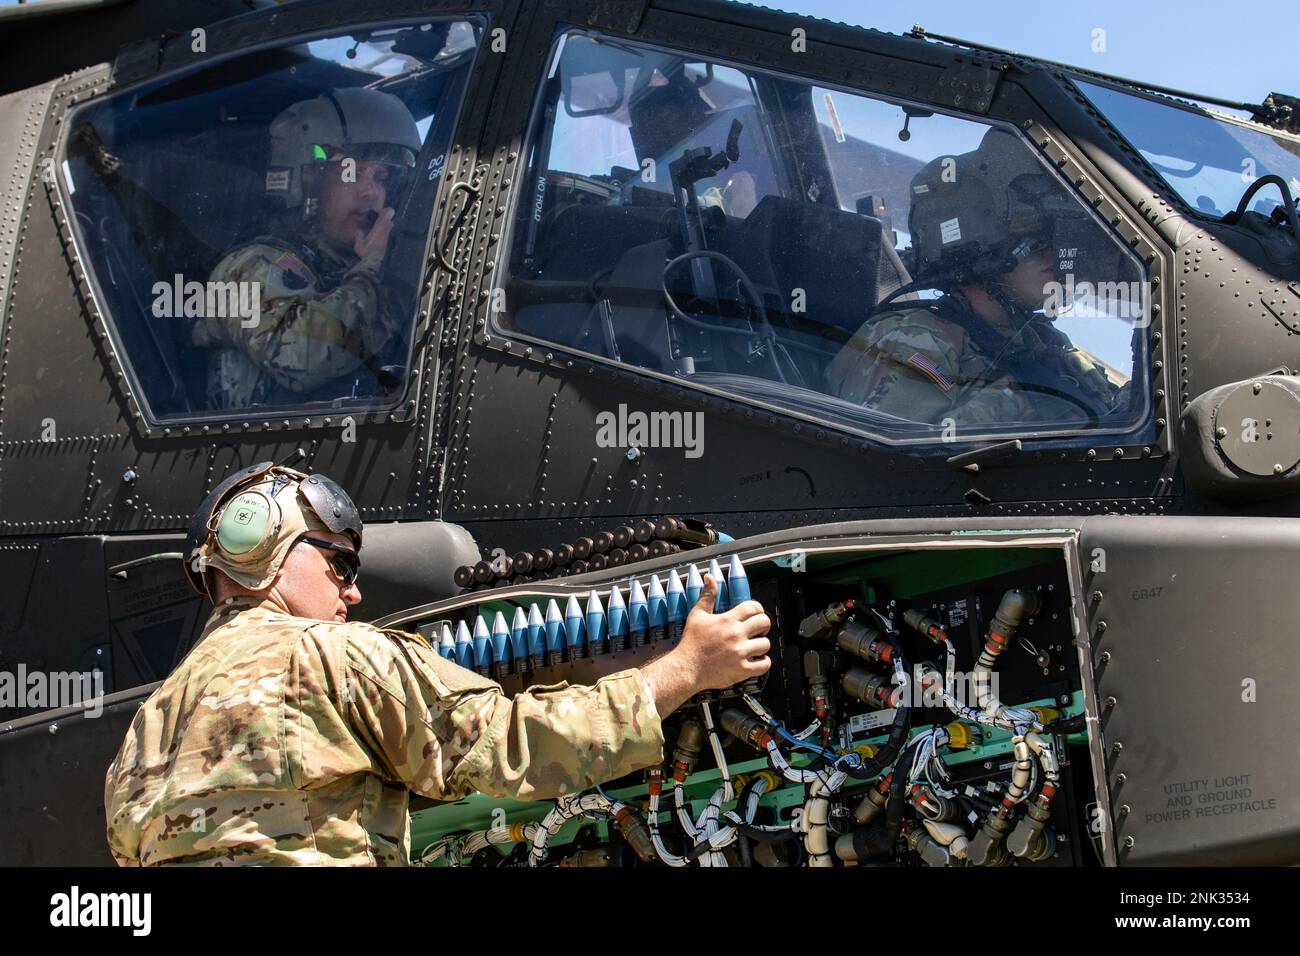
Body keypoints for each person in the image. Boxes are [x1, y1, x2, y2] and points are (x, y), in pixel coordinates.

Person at [103, 464, 771, 866]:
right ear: (272, 552)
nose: (354, 592)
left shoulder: (146, 729)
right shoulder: (334, 659)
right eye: (339, 564)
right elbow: (514, 746)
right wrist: (688, 668)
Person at [826, 127, 1125, 429]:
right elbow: (891, 457)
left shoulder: (1039, 340)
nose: (1053, 259)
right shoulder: (918, 337)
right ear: (982, 252)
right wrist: (1010, 402)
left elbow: (1113, 415)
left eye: (1054, 245)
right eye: (1037, 245)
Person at [193, 88, 421, 410]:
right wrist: (376, 267)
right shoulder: (247, 267)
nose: (371, 192)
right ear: (310, 179)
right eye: (351, 172)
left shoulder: (353, 265)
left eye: (381, 177)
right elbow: (304, 355)